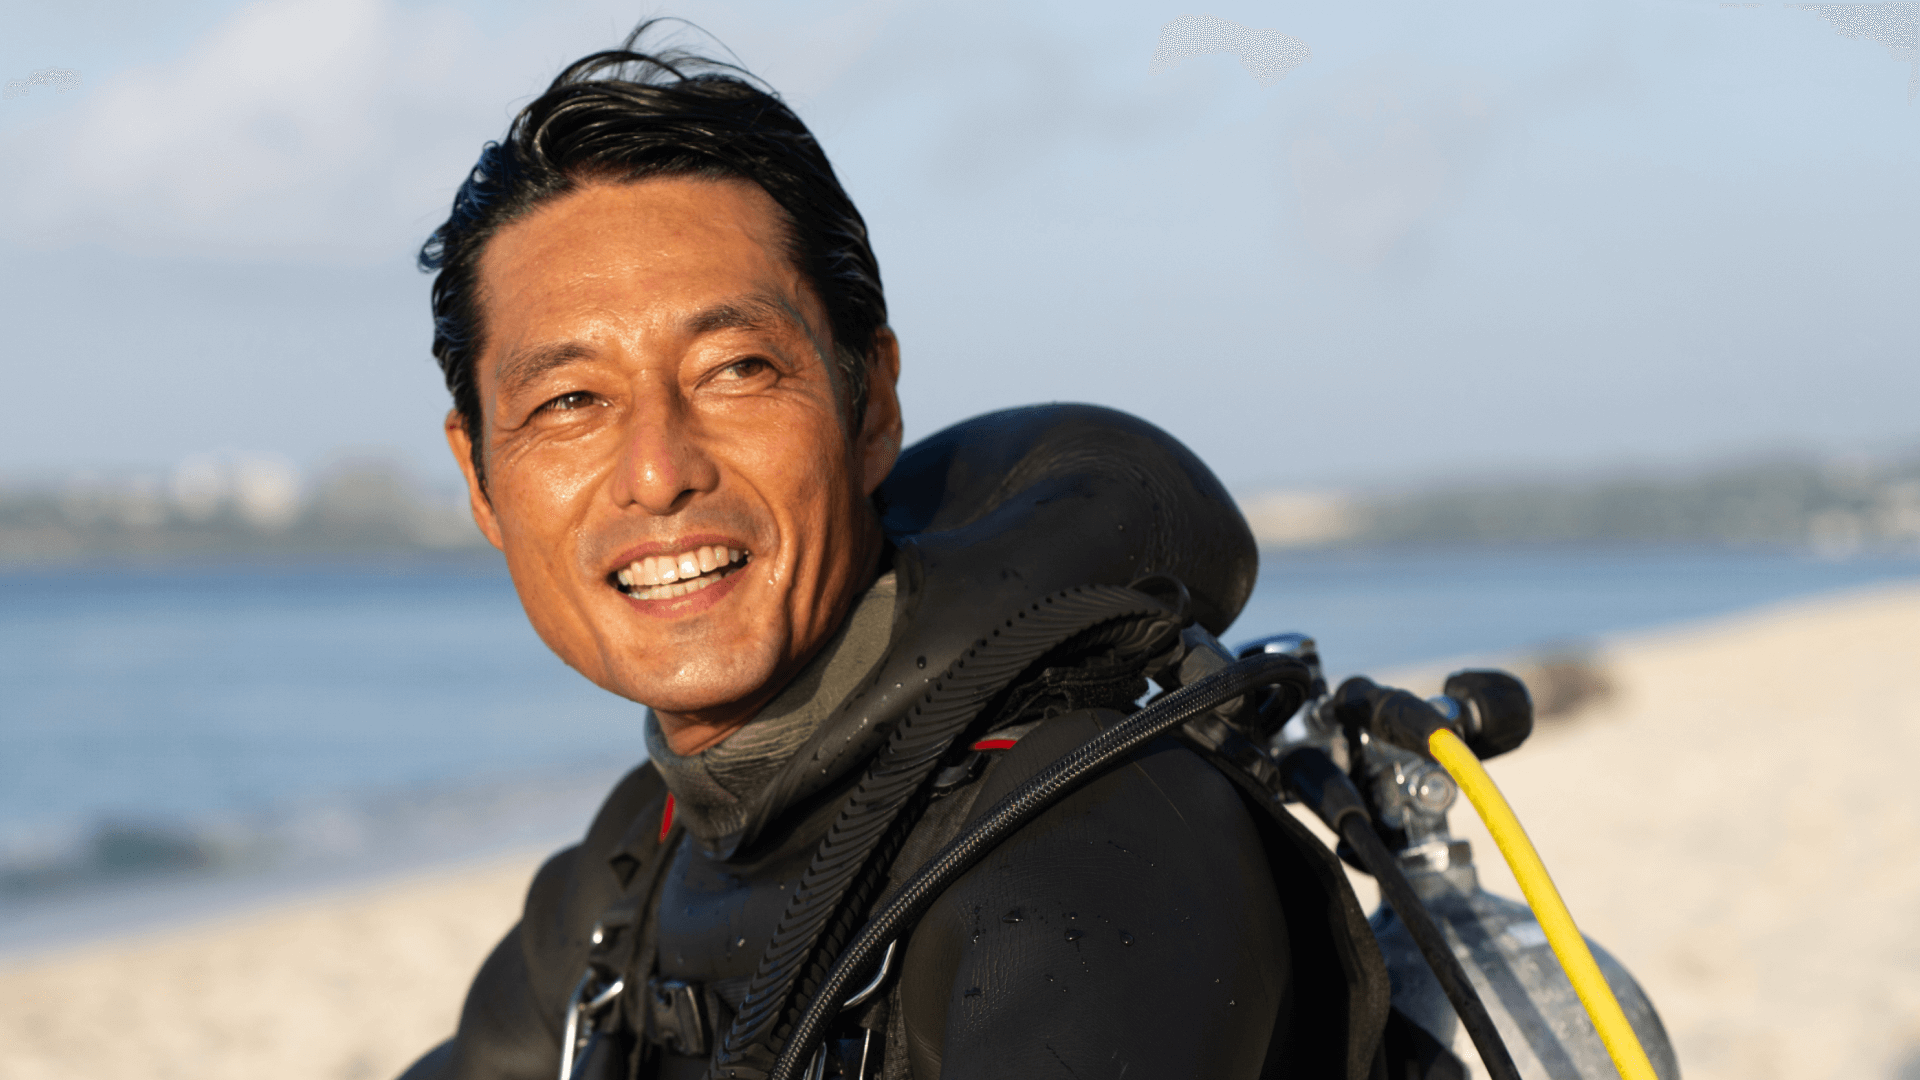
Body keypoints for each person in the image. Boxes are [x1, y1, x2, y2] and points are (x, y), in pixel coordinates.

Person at [400, 25, 1386, 1080]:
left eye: (734, 369)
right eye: (570, 400)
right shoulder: (633, 878)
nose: (658, 471)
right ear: (480, 478)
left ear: (870, 405)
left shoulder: (1091, 840)